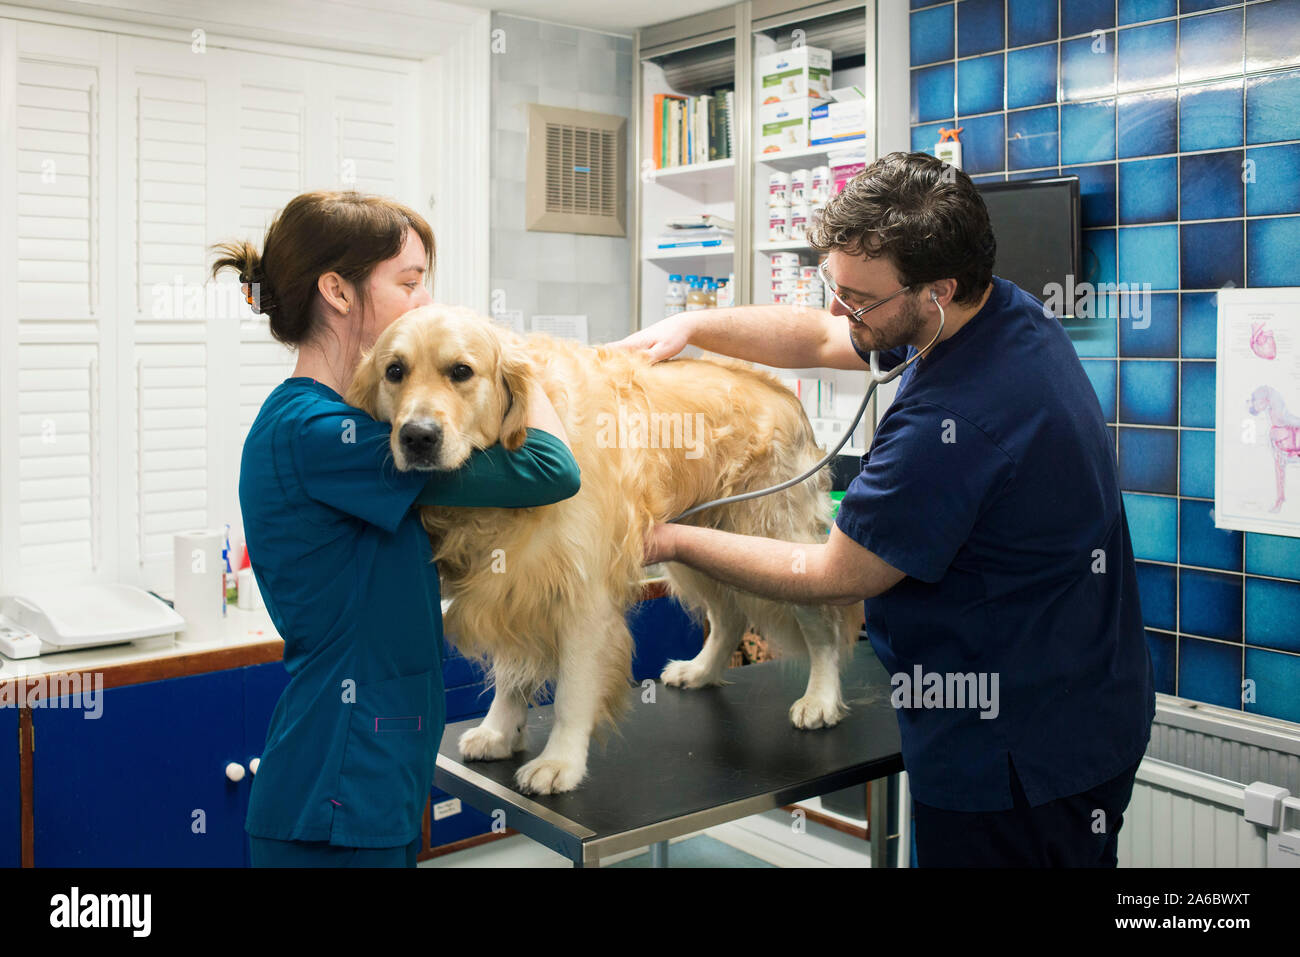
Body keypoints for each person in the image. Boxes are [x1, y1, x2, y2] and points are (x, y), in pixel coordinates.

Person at [613, 151, 1155, 867]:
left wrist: (675, 538)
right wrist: (693, 328)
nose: (842, 309)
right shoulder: (997, 311)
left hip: (1016, 753)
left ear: (937, 290)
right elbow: (816, 335)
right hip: (1087, 699)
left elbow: (833, 572)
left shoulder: (952, 423)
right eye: (834, 285)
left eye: (859, 298)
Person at [214, 191, 580, 867]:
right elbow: (552, 468)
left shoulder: (334, 424)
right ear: (337, 291)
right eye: (409, 283)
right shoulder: (329, 435)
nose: (424, 301)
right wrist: (511, 364)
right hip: (336, 795)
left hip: (367, 789)